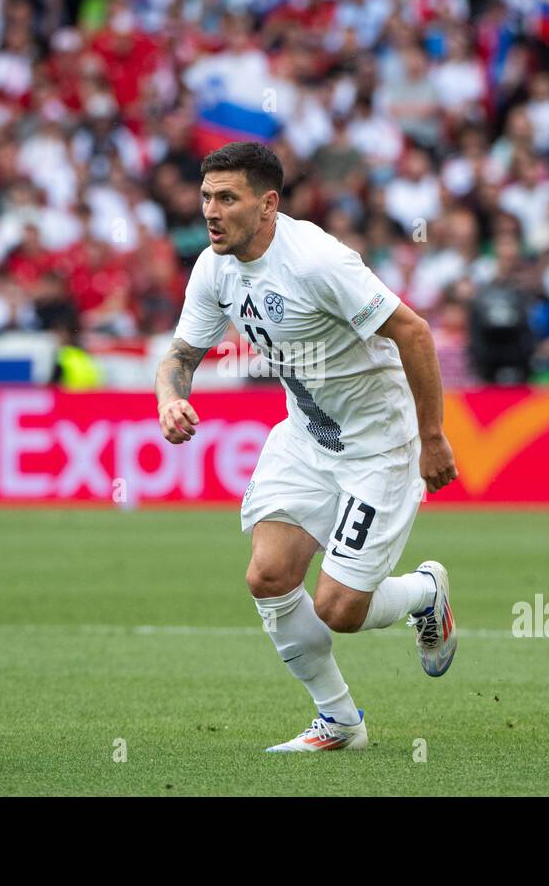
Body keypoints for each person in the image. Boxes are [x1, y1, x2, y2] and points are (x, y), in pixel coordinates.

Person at [154, 142, 459, 753]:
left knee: (339, 609)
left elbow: (414, 333)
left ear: (268, 205)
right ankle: (340, 723)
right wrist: (169, 398)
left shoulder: (317, 260)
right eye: (206, 197)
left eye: (227, 198)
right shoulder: (214, 267)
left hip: (379, 446)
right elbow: (180, 358)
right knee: (268, 575)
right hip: (305, 436)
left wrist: (432, 439)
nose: (211, 211)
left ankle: (426, 593)